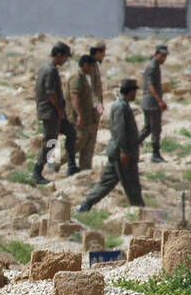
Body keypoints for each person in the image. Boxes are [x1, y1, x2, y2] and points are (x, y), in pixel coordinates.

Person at [78, 78, 143, 212]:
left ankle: (86, 205)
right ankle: (140, 211)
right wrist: (124, 151)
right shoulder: (120, 106)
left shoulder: (122, 105)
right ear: (130, 92)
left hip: (117, 153)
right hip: (122, 154)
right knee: (132, 185)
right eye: (134, 91)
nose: (135, 95)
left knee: (106, 183)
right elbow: (120, 131)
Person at [32, 41, 78, 185]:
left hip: (52, 111)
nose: (66, 60)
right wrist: (59, 111)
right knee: (50, 142)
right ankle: (37, 172)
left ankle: (71, 166)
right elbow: (51, 93)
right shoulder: (50, 70)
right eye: (65, 57)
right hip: (51, 112)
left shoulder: (46, 68)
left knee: (71, 133)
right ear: (58, 55)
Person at [136, 44, 168, 163]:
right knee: (155, 129)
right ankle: (155, 154)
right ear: (156, 54)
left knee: (148, 128)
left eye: (165, 56)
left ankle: (133, 145)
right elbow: (150, 85)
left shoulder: (154, 65)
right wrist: (159, 101)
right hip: (151, 103)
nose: (163, 59)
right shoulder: (152, 66)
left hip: (149, 102)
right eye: (162, 56)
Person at [67, 55, 99, 172]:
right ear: (85, 65)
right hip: (77, 117)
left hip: (87, 116)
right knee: (78, 141)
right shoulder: (77, 77)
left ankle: (85, 170)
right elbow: (74, 96)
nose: (94, 69)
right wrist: (79, 115)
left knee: (87, 142)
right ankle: (54, 161)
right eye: (92, 66)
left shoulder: (85, 77)